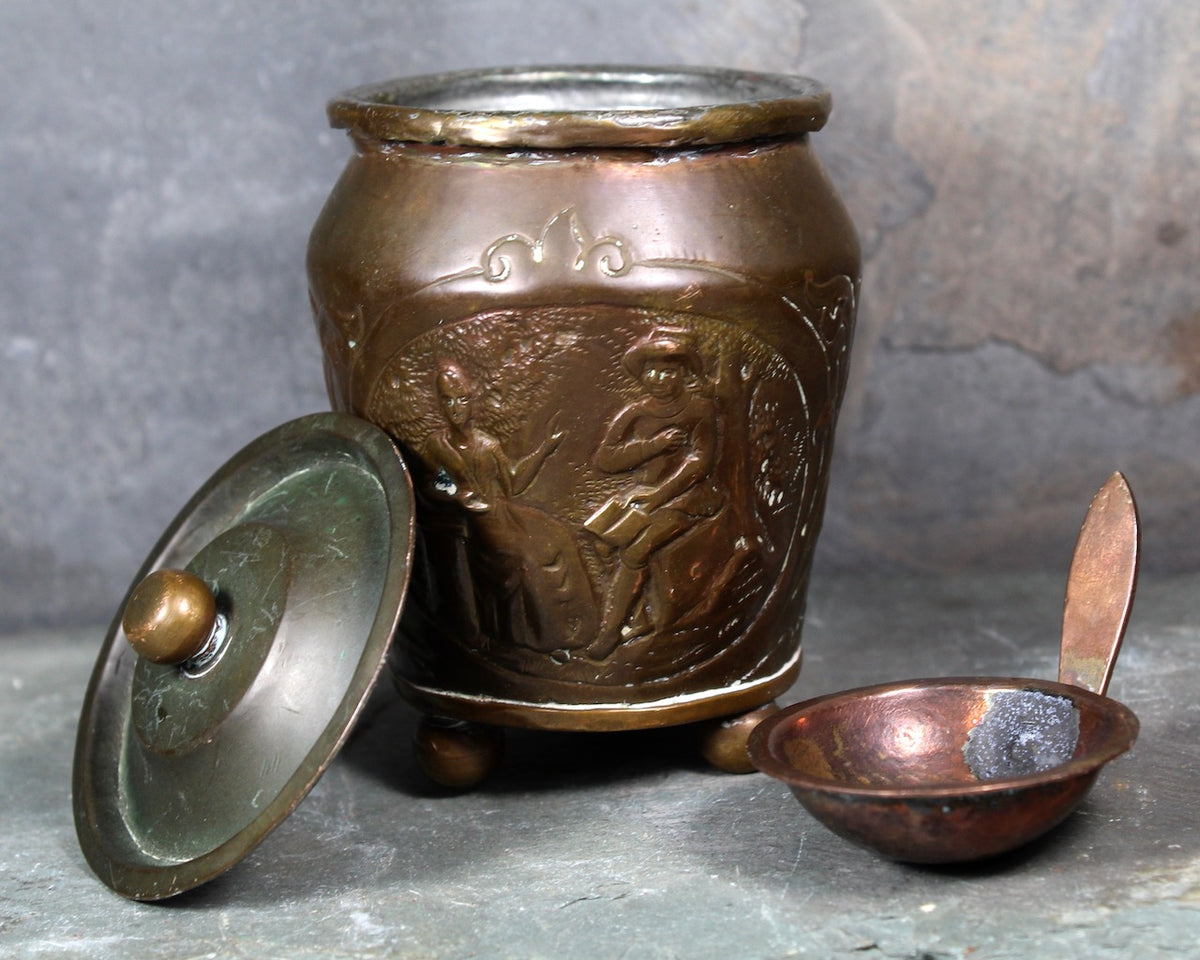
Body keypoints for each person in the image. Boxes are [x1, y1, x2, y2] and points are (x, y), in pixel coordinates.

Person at [585, 330, 723, 659]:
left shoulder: (699, 411)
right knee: (600, 540)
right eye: (651, 371)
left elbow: (699, 464)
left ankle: (609, 633)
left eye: (668, 371)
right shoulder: (636, 413)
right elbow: (605, 459)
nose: (658, 379)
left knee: (636, 549)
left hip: (687, 498)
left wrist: (658, 495)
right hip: (643, 496)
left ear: (683, 374)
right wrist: (652, 447)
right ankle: (639, 616)